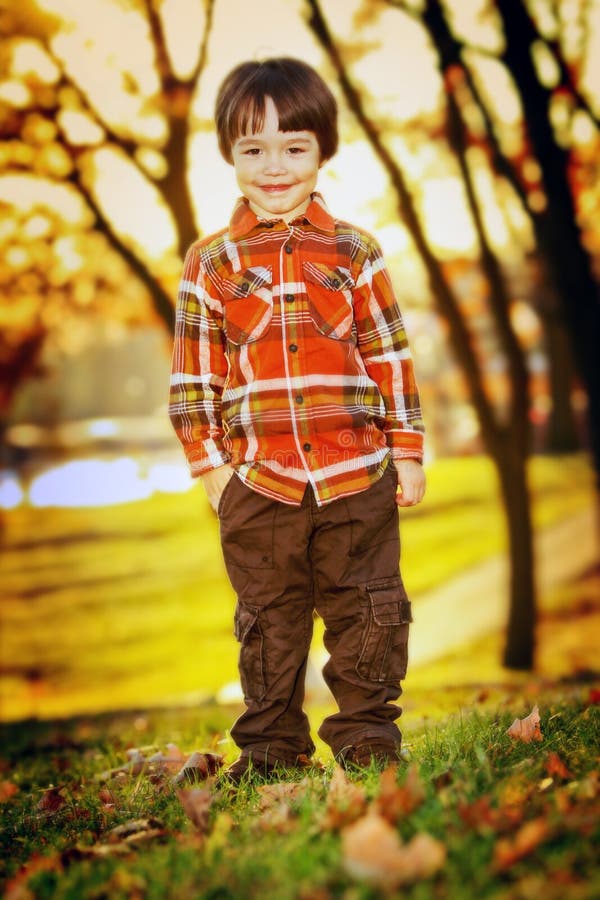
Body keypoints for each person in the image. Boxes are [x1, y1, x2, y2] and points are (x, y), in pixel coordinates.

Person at [169, 57, 426, 782]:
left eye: (294, 146)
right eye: (253, 149)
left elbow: (390, 357)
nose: (274, 166)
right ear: (230, 154)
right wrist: (212, 468)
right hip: (261, 481)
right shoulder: (210, 263)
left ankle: (369, 737)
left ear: (323, 151)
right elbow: (195, 378)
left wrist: (405, 453)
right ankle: (274, 750)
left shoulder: (354, 252)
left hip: (355, 475)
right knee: (269, 622)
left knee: (368, 610)